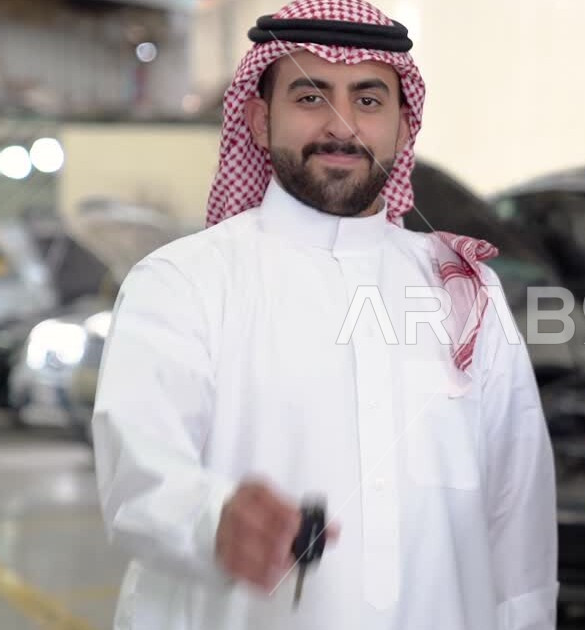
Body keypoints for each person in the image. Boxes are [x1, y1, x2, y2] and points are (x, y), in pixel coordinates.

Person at [90, 1, 558, 629]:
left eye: (368, 101)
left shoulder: (465, 290)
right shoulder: (184, 284)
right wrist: (216, 518)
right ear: (258, 119)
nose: (343, 127)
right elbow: (138, 473)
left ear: (402, 122)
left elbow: (517, 517)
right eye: (311, 98)